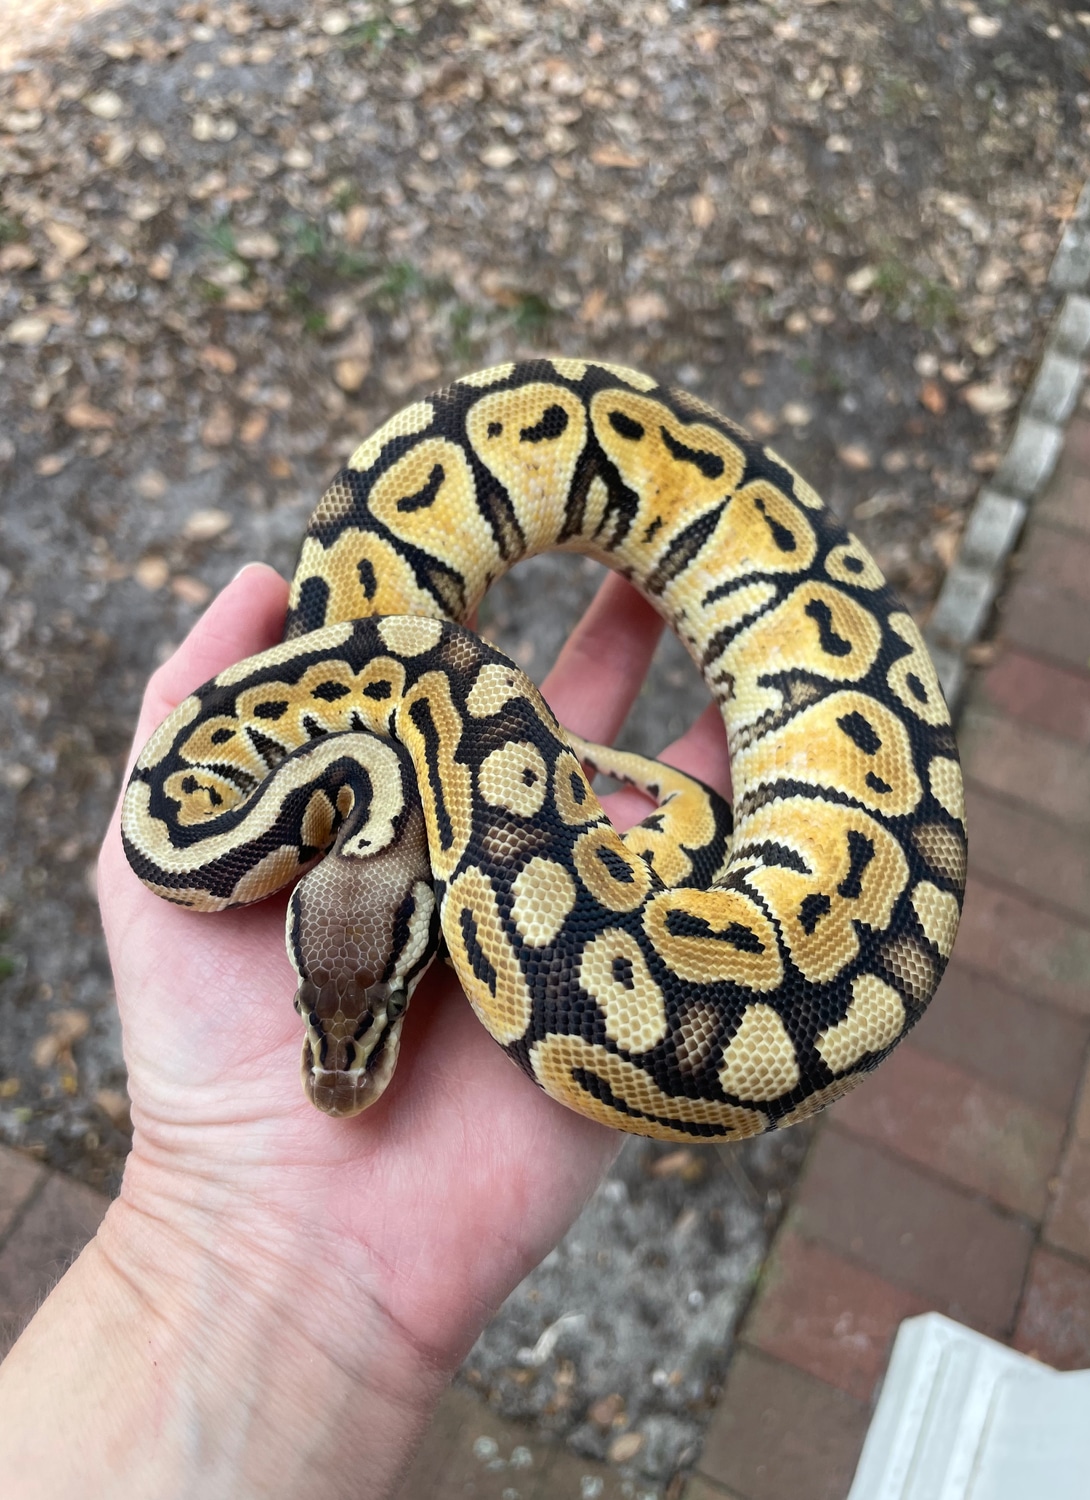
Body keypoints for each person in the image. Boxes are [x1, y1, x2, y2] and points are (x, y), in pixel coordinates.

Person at [0, 562, 730, 1498]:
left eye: (383, 1011)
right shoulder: (240, 843)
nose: (338, 1072)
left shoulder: (309, 837)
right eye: (319, 1015)